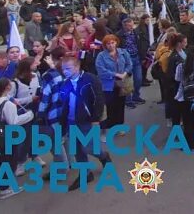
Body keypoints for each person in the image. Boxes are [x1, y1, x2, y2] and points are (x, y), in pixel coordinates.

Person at [58, 55, 112, 191]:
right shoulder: (65, 83)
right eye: (63, 69)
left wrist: (95, 119)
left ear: (77, 67)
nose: (65, 71)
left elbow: (99, 100)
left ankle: (104, 157)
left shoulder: (90, 80)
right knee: (76, 148)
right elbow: (63, 103)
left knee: (89, 147)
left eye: (68, 68)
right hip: (71, 121)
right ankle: (85, 173)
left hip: (87, 121)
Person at [0, 77, 34, 199]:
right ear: (7, 87)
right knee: (8, 162)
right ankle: (5, 189)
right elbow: (14, 121)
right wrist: (29, 115)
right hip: (5, 136)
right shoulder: (7, 105)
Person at [95, 35, 132, 140]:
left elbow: (129, 64)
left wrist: (125, 73)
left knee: (120, 106)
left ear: (116, 42)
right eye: (108, 43)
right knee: (108, 107)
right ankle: (104, 130)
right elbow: (101, 71)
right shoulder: (101, 56)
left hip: (121, 83)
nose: (111, 45)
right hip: (108, 85)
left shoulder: (123, 52)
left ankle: (119, 127)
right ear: (105, 45)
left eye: (113, 42)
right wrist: (115, 74)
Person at [117, 17, 145, 106]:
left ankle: (136, 95)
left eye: (132, 25)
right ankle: (128, 100)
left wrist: (142, 56)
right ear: (124, 26)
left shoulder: (136, 33)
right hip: (126, 60)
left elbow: (140, 44)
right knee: (127, 82)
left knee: (138, 79)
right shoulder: (119, 35)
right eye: (129, 26)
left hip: (136, 57)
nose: (132, 27)